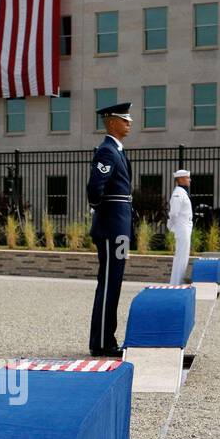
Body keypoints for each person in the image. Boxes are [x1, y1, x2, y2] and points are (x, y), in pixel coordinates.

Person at [87, 101, 134, 357]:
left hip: (120, 228)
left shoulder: (117, 151)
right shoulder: (106, 151)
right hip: (111, 228)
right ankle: (102, 342)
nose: (129, 123)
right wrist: (101, 212)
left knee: (114, 283)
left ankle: (106, 338)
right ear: (112, 122)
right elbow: (95, 189)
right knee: (108, 284)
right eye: (124, 119)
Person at [167, 168, 193, 286]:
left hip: (185, 226)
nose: (189, 180)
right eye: (187, 178)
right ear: (181, 179)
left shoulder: (182, 192)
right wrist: (173, 226)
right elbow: (173, 213)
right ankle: (176, 283)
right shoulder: (178, 193)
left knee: (184, 256)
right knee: (181, 256)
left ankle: (178, 282)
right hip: (182, 226)